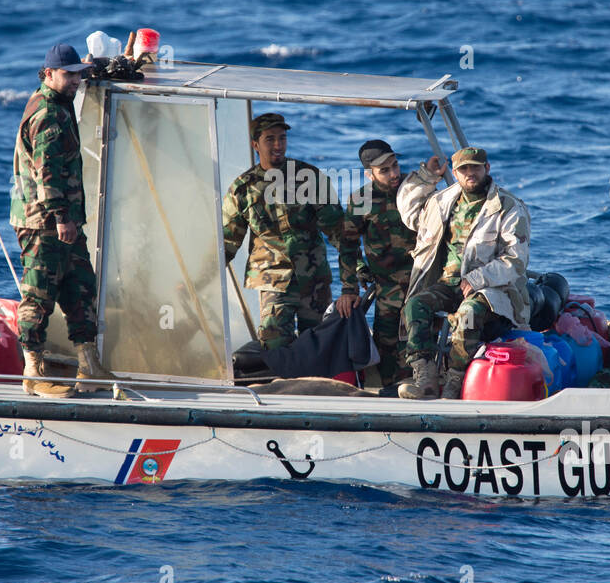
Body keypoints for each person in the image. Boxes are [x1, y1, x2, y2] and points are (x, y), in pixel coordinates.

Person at [396, 147, 532, 400]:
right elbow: (410, 212)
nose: (470, 173)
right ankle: (425, 378)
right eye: (463, 169)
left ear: (487, 169)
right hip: (449, 285)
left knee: (467, 314)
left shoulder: (509, 207)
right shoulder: (442, 202)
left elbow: (515, 261)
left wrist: (477, 278)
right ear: (455, 172)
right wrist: (426, 177)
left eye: (475, 167)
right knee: (415, 304)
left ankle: (453, 383)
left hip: (492, 291)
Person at [9, 43, 104, 397]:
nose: (76, 81)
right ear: (48, 74)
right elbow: (46, 172)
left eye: (78, 74)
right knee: (39, 294)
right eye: (69, 75)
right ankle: (33, 371)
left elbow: (77, 76)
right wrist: (62, 217)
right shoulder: (48, 114)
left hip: (62, 222)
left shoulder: (57, 99)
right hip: (44, 222)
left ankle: (89, 366)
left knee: (79, 287)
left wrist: (91, 67)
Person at [223, 113, 345, 350]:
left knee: (320, 346)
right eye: (270, 139)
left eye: (282, 138)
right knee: (275, 345)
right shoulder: (243, 189)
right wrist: (199, 281)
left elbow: (338, 230)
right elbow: (227, 242)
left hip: (314, 280)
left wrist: (356, 271)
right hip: (272, 280)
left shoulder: (308, 177)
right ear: (255, 145)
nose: (278, 145)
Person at [335, 140, 415, 388]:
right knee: (387, 343)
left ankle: (421, 387)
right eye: (385, 170)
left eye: (395, 165)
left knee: (419, 337)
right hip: (387, 284)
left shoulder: (413, 190)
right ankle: (391, 392)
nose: (394, 174)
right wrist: (350, 289)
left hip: (421, 280)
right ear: (370, 174)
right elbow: (348, 246)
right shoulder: (361, 200)